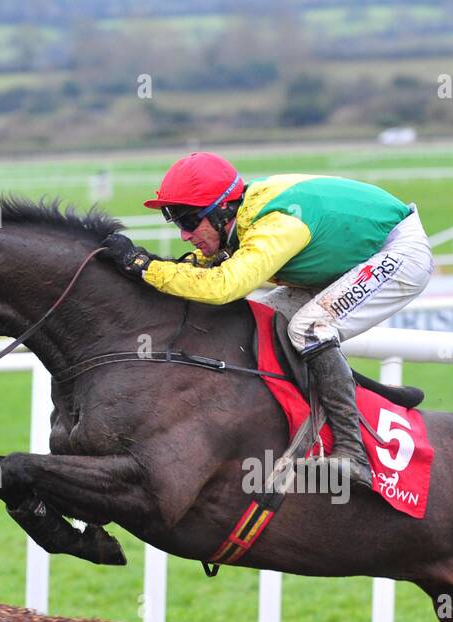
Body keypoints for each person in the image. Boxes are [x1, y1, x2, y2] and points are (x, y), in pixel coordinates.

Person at [101, 152, 433, 488]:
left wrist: (145, 266)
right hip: (353, 255)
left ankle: (353, 453)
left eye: (188, 221)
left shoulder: (277, 224)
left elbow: (224, 286)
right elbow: (205, 271)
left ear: (221, 211)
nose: (185, 236)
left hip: (399, 253)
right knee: (265, 319)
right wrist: (141, 268)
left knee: (310, 329)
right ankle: (366, 398)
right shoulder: (240, 217)